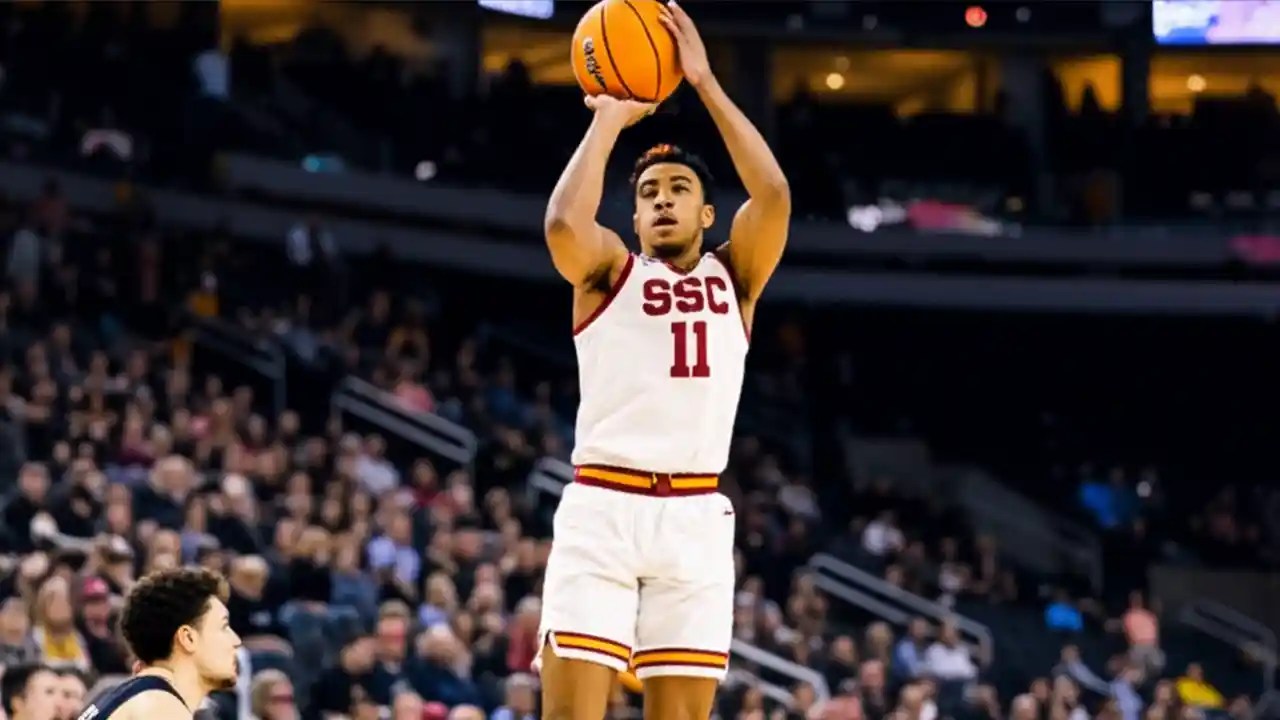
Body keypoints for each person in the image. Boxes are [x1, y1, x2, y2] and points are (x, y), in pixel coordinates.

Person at [536, 1, 790, 717]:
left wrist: (704, 83)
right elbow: (562, 224)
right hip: (604, 507)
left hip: (693, 516)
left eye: (680, 190)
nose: (664, 201)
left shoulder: (735, 277)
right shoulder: (608, 272)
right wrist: (609, 119)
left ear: (708, 214)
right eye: (648, 194)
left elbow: (772, 193)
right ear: (636, 217)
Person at [75, 567, 242, 720]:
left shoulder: (128, 696)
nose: (236, 640)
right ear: (188, 638)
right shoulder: (161, 707)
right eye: (224, 627)